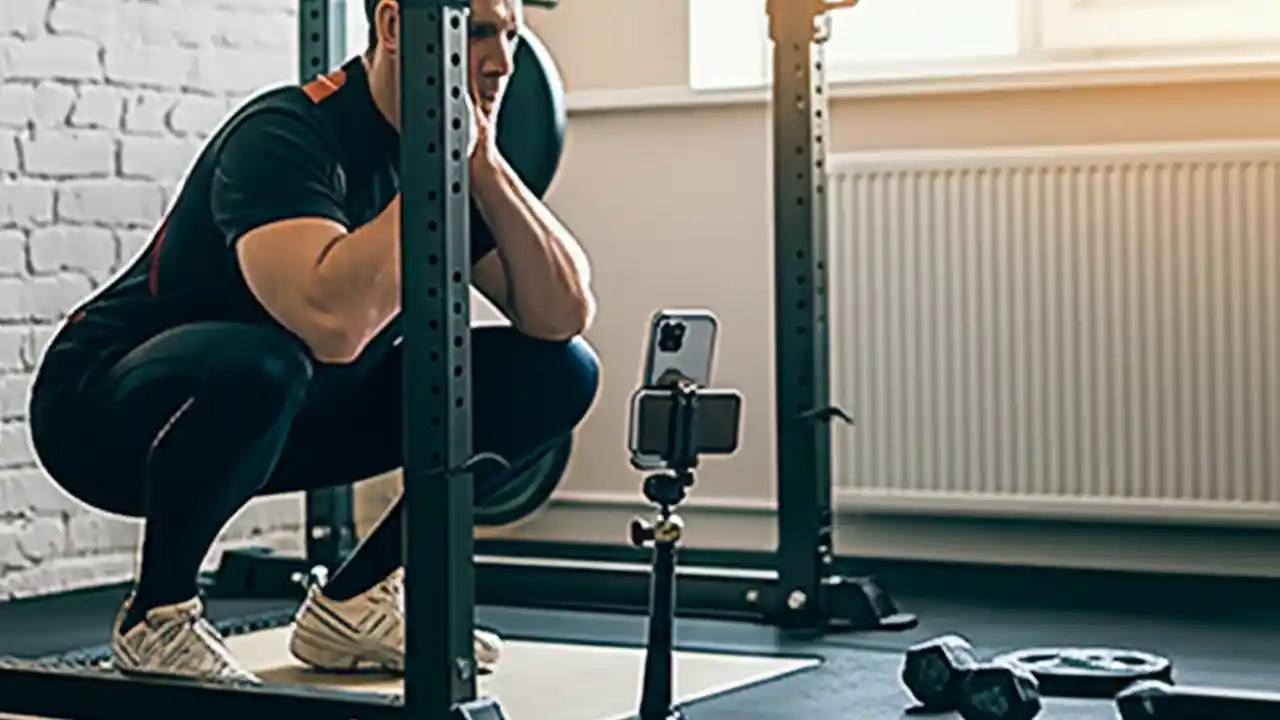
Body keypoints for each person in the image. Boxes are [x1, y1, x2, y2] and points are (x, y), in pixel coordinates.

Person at [26, 0, 598, 685]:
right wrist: (434, 166)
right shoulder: (286, 133)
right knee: (266, 364)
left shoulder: (460, 160)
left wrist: (485, 169)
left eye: (512, 35)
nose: (502, 62)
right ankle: (156, 618)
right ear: (395, 27)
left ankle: (355, 603)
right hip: (106, 419)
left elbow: (561, 314)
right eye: (477, 32)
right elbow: (332, 327)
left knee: (562, 373)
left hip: (281, 413)